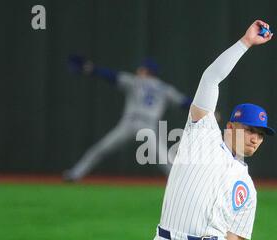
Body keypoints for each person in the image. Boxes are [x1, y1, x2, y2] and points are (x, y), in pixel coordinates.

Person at [146, 20, 275, 240]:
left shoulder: (246, 186)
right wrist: (245, 42)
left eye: (261, 134)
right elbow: (211, 78)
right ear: (230, 127)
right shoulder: (202, 133)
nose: (255, 138)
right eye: (250, 130)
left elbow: (237, 239)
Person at [63, 55, 192, 182]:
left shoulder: (135, 81)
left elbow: (111, 76)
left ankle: (74, 174)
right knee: (164, 158)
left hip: (130, 123)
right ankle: (180, 184)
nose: (139, 70)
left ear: (145, 70)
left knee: (100, 149)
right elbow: (185, 103)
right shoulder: (164, 88)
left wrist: (91, 69)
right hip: (147, 126)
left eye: (142, 68)